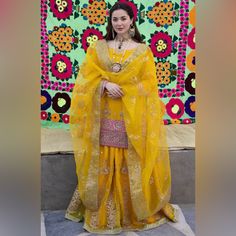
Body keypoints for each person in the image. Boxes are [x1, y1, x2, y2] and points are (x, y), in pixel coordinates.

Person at [65, 2, 178, 234]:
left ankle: (130, 213)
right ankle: (101, 216)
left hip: (130, 116)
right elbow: (85, 78)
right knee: (104, 157)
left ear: (132, 20)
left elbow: (148, 85)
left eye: (123, 19)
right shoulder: (99, 47)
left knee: (128, 159)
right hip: (103, 113)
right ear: (111, 21)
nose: (119, 23)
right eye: (115, 19)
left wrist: (127, 89)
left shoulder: (142, 50)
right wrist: (105, 84)